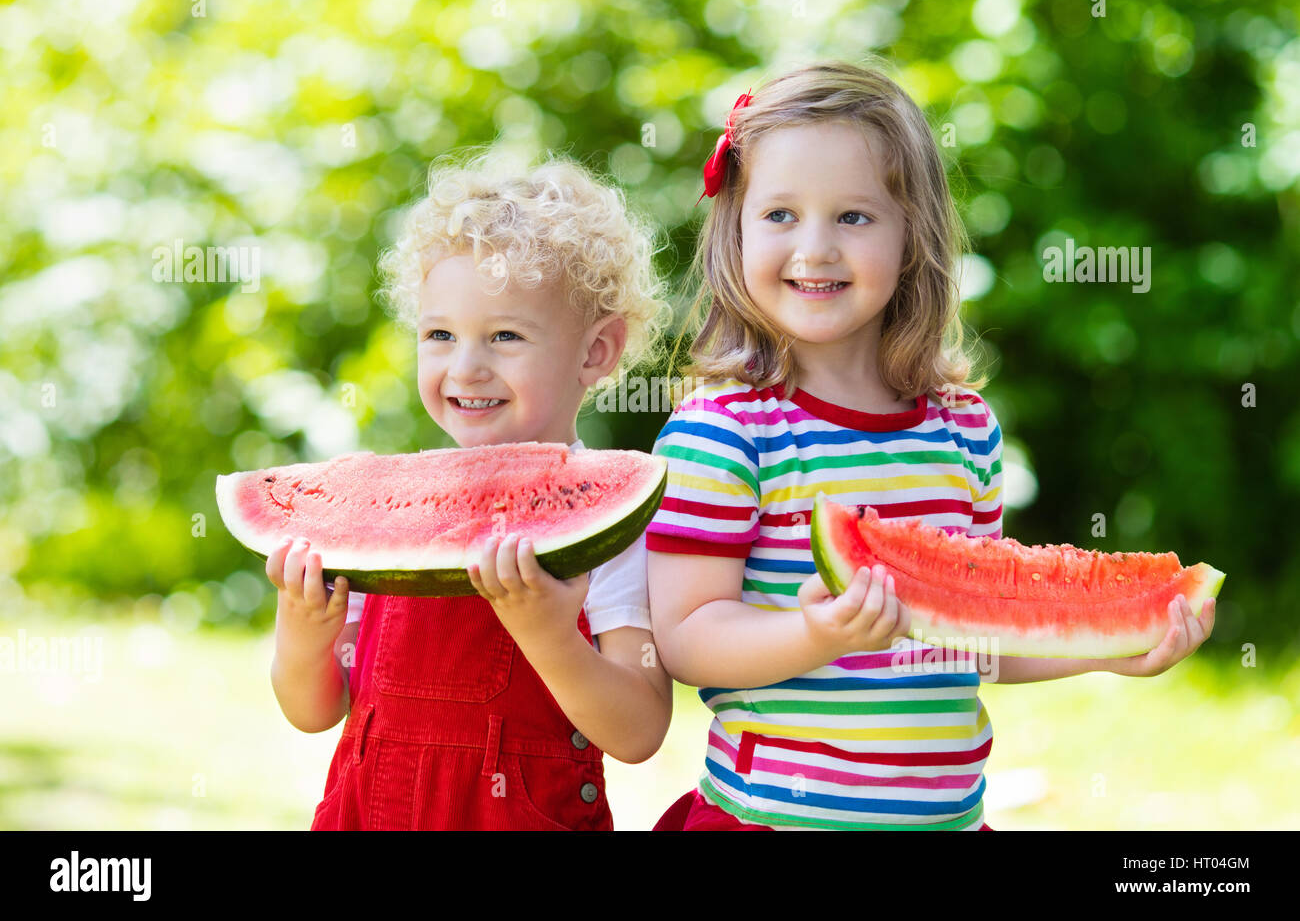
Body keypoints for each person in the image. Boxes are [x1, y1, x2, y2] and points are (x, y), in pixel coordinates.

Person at [646, 60, 1217, 831]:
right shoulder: (723, 433)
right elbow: (685, 638)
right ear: (735, 230)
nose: (814, 249)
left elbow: (979, 630)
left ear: (912, 233)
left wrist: (1109, 647)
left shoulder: (964, 428)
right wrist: (812, 633)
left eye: (853, 217)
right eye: (780, 215)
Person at [266, 152, 675, 829]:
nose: (465, 367)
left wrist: (549, 634)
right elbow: (313, 712)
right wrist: (304, 634)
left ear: (597, 351)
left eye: (505, 335)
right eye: (440, 335)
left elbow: (639, 731)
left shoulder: (609, 526)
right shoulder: (386, 512)